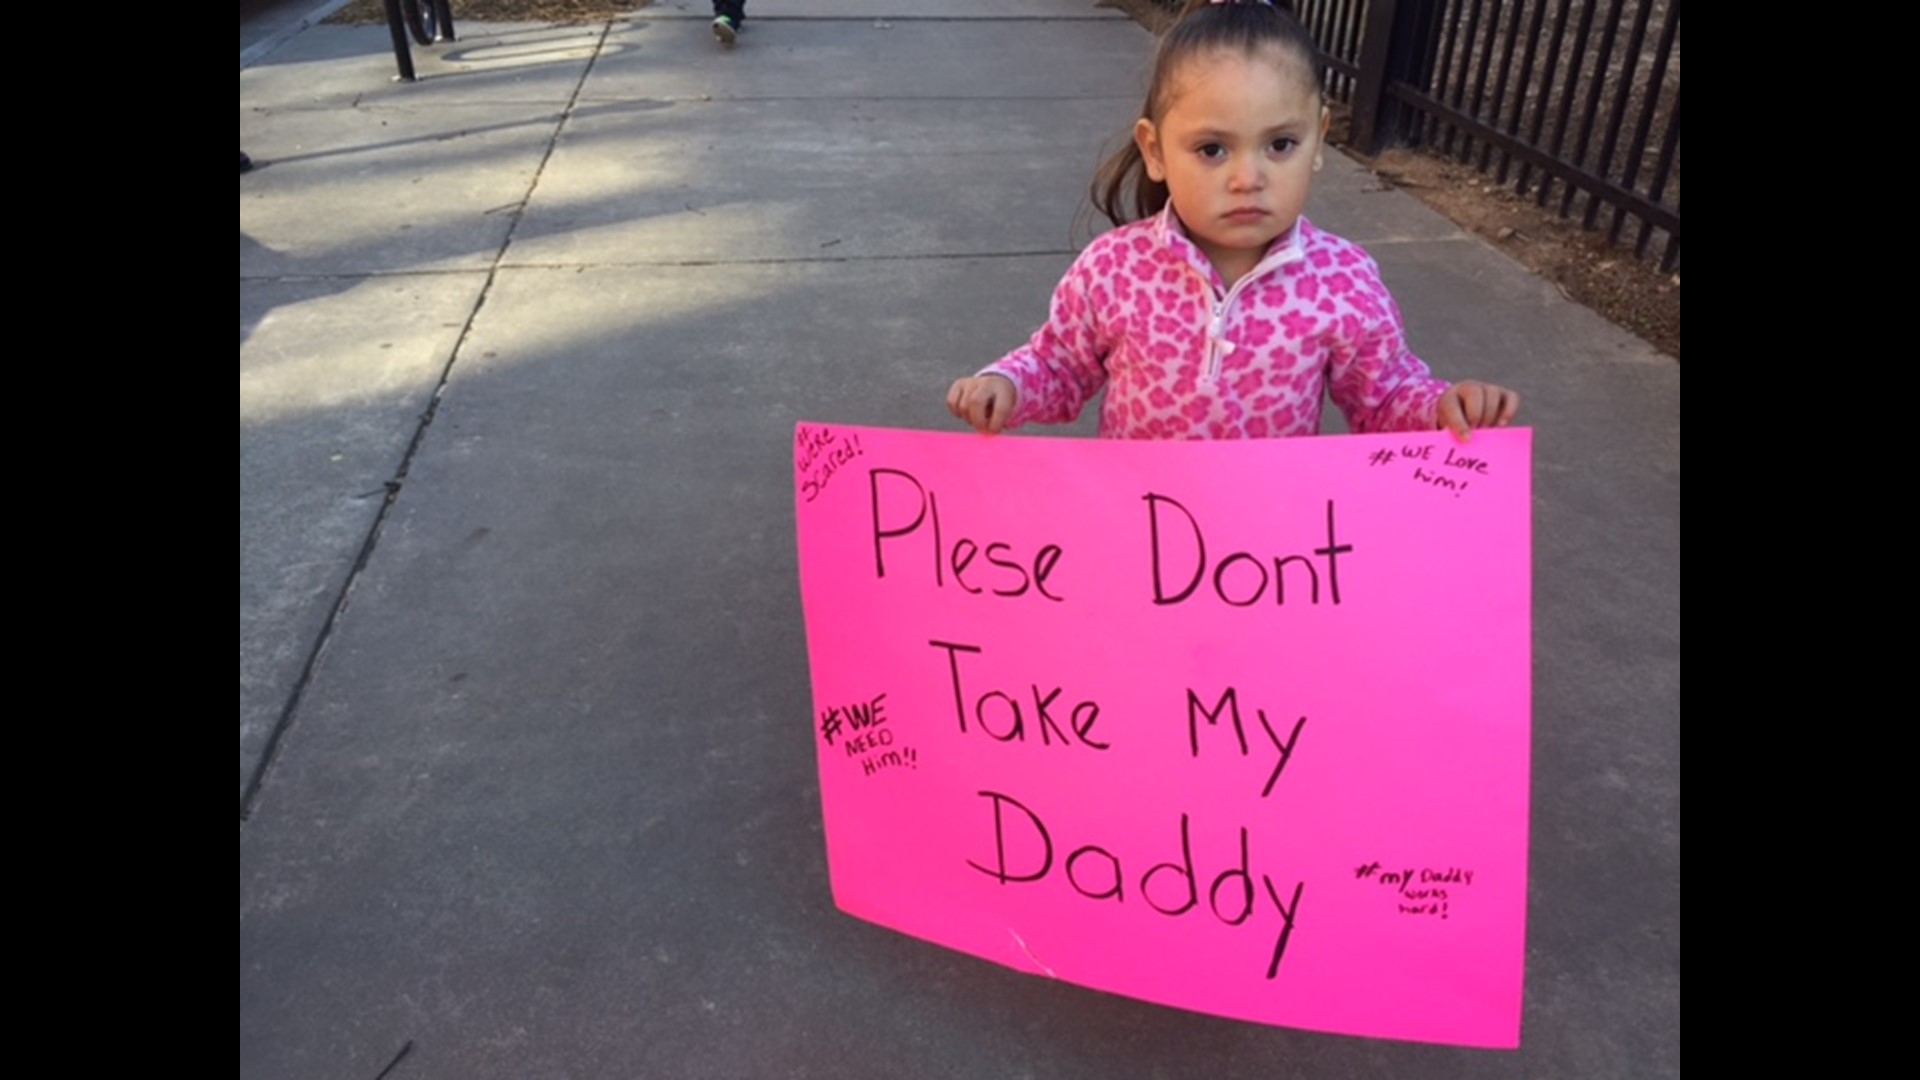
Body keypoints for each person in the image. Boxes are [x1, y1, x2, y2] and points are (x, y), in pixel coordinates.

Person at [946, 0, 1519, 441]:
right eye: (1213, 149)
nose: (1248, 177)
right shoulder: (1115, 269)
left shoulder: (1341, 281)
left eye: (1281, 144)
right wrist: (1009, 386)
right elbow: (1061, 364)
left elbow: (1385, 394)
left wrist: (1442, 408)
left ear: (1319, 138)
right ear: (1155, 150)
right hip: (1138, 539)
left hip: (1269, 557)